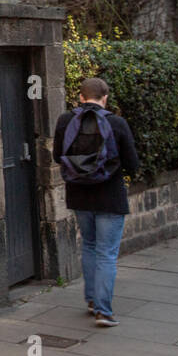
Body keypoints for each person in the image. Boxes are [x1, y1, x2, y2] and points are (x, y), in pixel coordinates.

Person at [55, 77, 141, 327]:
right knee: (106, 253)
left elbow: (57, 155)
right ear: (105, 98)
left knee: (89, 245)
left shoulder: (65, 120)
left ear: (80, 97)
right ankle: (104, 311)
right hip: (110, 196)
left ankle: (92, 300)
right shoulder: (117, 123)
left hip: (79, 194)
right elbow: (132, 163)